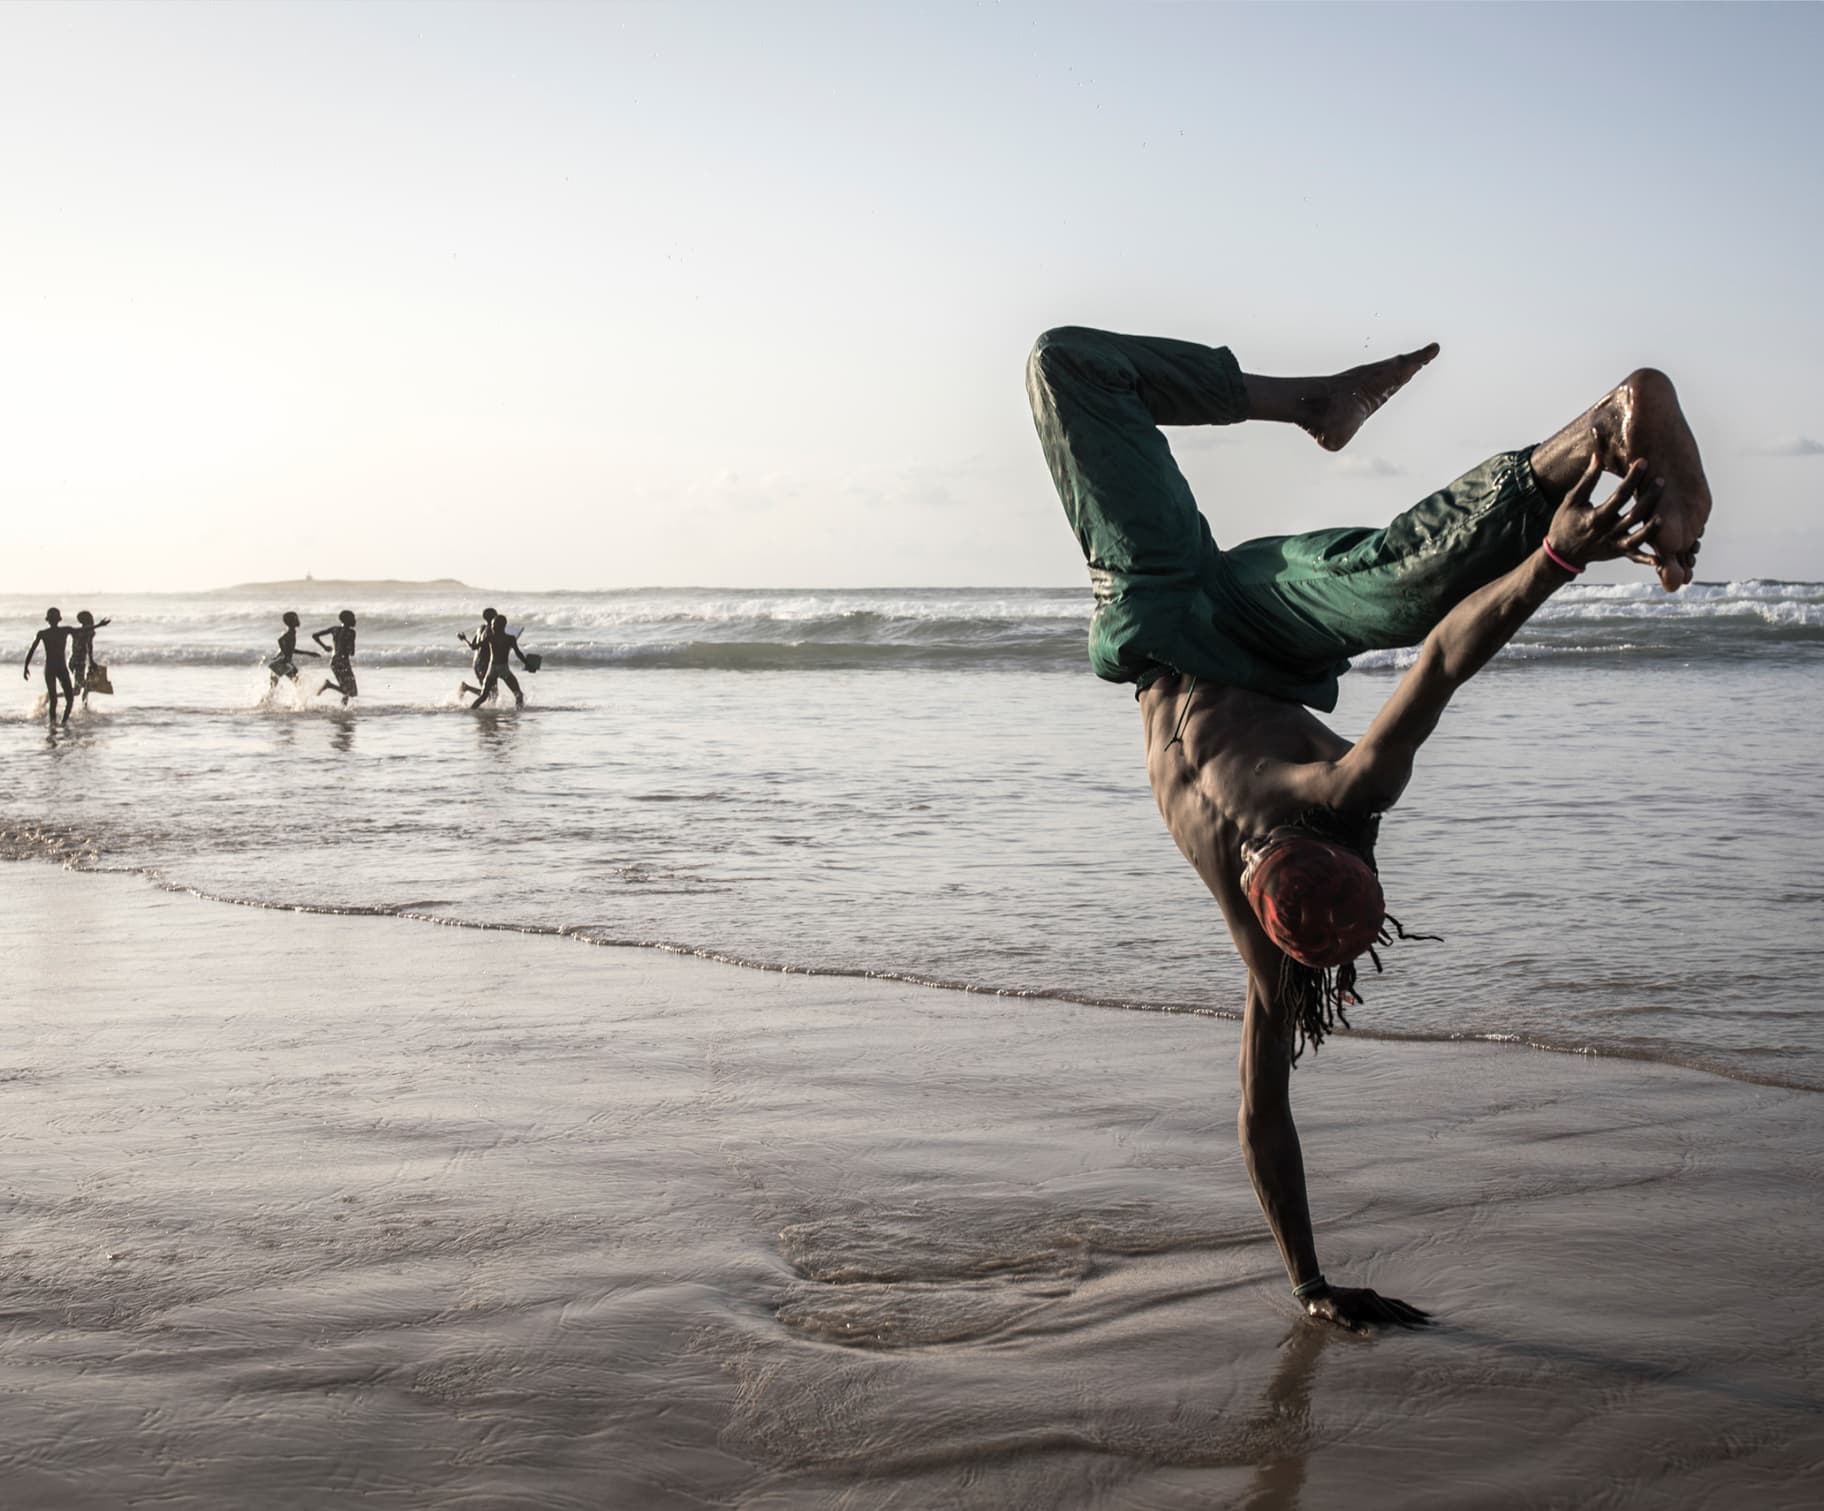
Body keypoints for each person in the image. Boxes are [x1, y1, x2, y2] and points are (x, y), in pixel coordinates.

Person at [1026, 325, 1710, 1332]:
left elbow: (1442, 667)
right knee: (1403, 579)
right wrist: (1307, 1283)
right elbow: (1439, 655)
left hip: (1155, 595)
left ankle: (1334, 404)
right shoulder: (1320, 845)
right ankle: (1591, 427)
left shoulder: (1337, 802)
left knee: (1065, 364)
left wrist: (1561, 556)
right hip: (1265, 626)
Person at [23, 608, 78, 725]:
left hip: (55, 668)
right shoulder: (45, 633)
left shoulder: (62, 631)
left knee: (63, 699)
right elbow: (32, 650)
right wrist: (25, 667)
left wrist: (26, 666)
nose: (53, 620)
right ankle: (56, 724)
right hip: (53, 668)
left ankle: (60, 723)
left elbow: (82, 630)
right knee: (57, 699)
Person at [470, 611, 535, 709]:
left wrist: (464, 640)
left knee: (483, 696)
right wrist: (527, 663)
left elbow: (474, 647)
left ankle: (471, 711)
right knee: (518, 695)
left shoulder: (491, 638)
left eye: (493, 625)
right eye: (492, 625)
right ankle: (518, 713)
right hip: (503, 669)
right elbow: (518, 653)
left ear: (501, 626)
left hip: (492, 670)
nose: (491, 627)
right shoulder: (509, 638)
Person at [312, 610, 359, 705]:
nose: (354, 620)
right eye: (352, 618)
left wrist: (324, 647)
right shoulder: (351, 632)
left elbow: (315, 635)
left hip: (334, 662)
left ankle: (344, 701)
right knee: (353, 692)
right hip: (343, 662)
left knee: (348, 689)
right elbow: (352, 652)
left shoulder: (335, 629)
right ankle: (329, 685)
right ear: (347, 620)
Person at [267, 611, 321, 691]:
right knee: (298, 683)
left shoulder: (292, 631)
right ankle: (301, 702)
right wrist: (285, 655)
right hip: (282, 661)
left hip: (281, 660)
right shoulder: (290, 631)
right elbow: (280, 640)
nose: (298, 620)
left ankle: (264, 703)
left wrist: (309, 653)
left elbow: (291, 650)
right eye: (296, 619)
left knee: (274, 687)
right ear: (291, 622)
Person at [69, 610, 112, 706]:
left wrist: (91, 661)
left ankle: (85, 705)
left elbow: (89, 646)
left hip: (79, 660)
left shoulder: (86, 632)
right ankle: (53, 697)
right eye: (90, 618)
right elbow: (89, 646)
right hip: (77, 661)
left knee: (78, 690)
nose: (92, 619)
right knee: (81, 688)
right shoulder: (81, 631)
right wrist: (99, 625)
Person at [456, 607, 497, 700]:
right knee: (491, 694)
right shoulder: (491, 630)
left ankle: (466, 688)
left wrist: (464, 639)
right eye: (496, 615)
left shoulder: (480, 628)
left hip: (476, 663)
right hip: (485, 663)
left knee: (489, 693)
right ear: (493, 617)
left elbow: (473, 646)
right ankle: (466, 687)